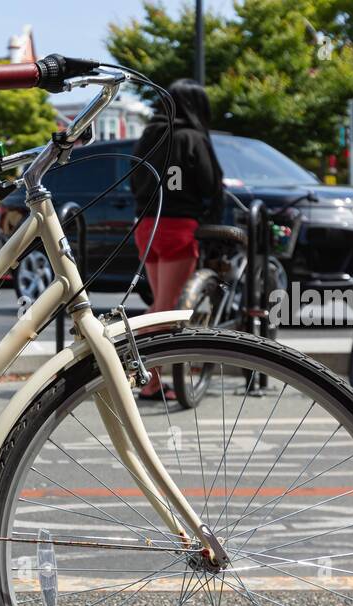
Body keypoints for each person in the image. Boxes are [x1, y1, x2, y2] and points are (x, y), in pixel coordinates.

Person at [130, 79, 225, 401]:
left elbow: (134, 176)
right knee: (166, 310)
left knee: (160, 303)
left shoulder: (150, 134)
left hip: (146, 225)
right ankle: (149, 379)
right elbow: (212, 184)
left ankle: (145, 373)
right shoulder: (192, 137)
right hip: (178, 226)